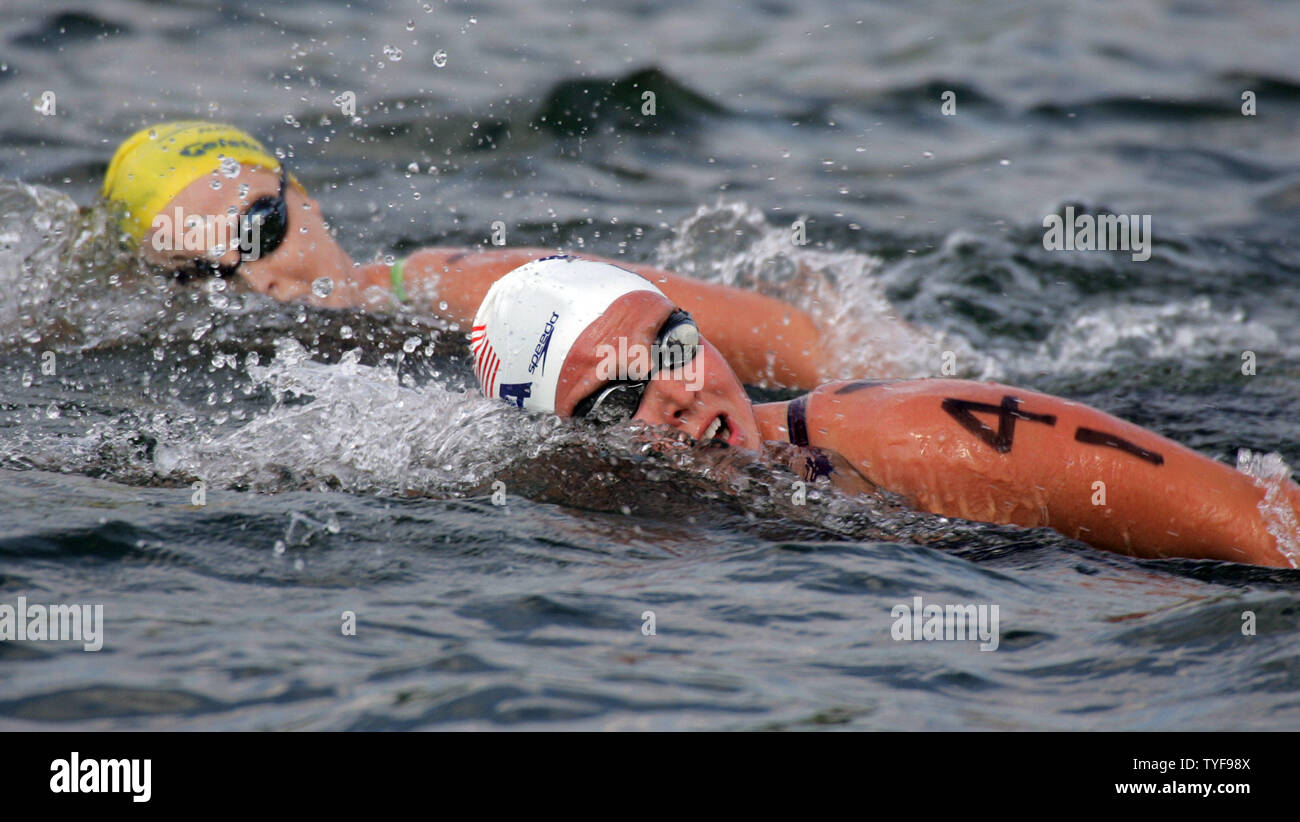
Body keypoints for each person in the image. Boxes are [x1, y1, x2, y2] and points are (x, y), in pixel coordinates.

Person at [469, 255, 1300, 569]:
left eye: (675, 344)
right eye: (619, 401)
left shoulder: (912, 435)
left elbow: (1269, 528)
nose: (680, 392)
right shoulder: (558, 499)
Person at [101, 119, 900, 390]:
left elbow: (803, 342)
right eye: (204, 270)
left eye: (254, 231)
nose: (255, 277)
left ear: (300, 195)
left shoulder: (465, 287)